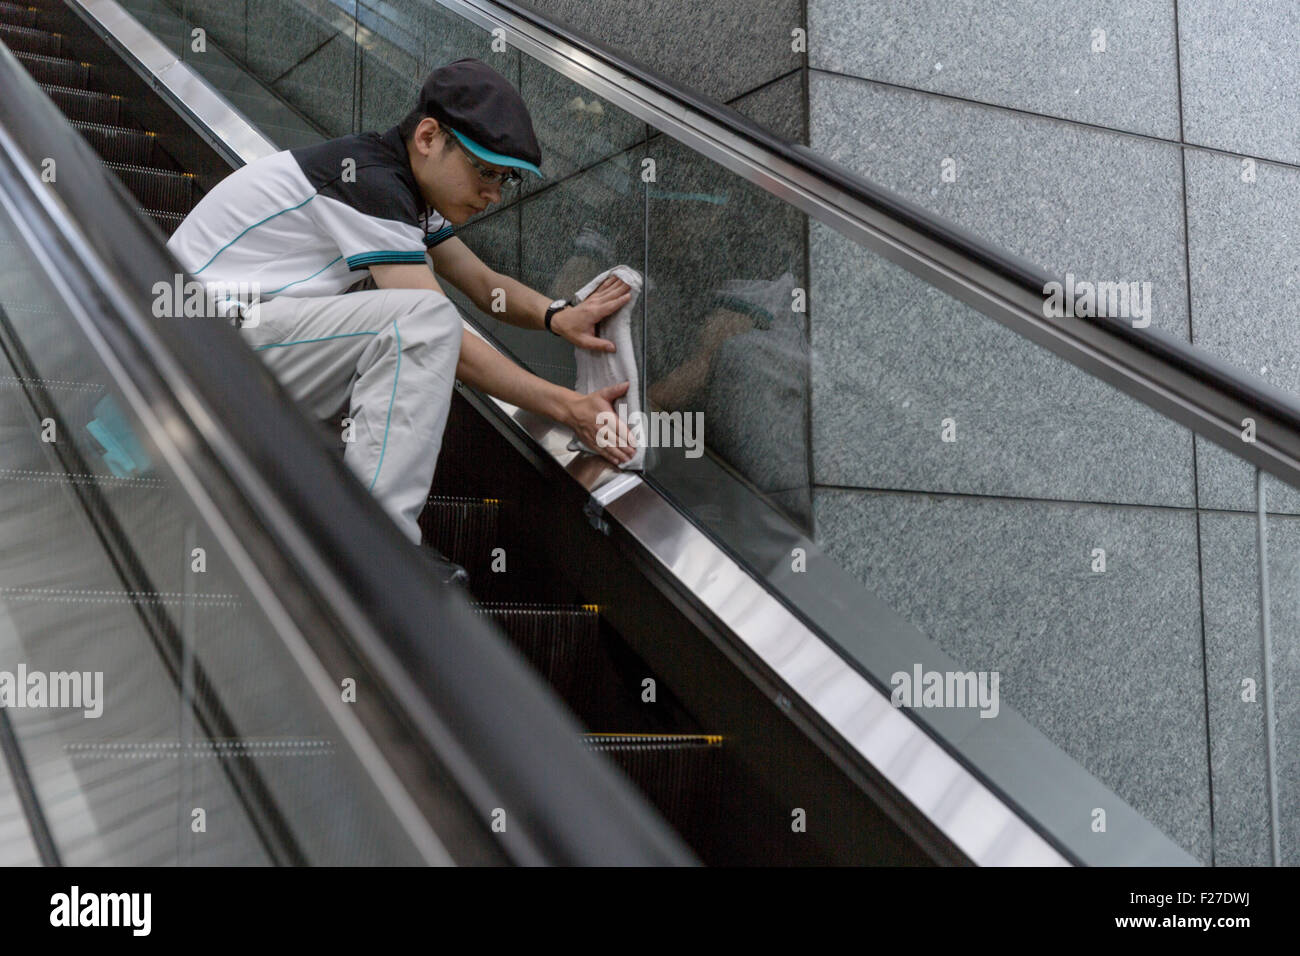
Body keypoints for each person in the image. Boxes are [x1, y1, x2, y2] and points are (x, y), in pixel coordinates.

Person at [165, 57, 636, 553]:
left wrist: (558, 315)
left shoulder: (401, 188)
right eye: (485, 171)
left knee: (402, 316)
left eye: (507, 181)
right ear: (429, 137)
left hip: (231, 348)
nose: (494, 194)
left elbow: (482, 281)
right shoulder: (368, 181)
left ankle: (338, 523)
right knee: (421, 318)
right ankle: (377, 551)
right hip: (197, 345)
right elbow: (437, 331)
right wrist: (568, 406)